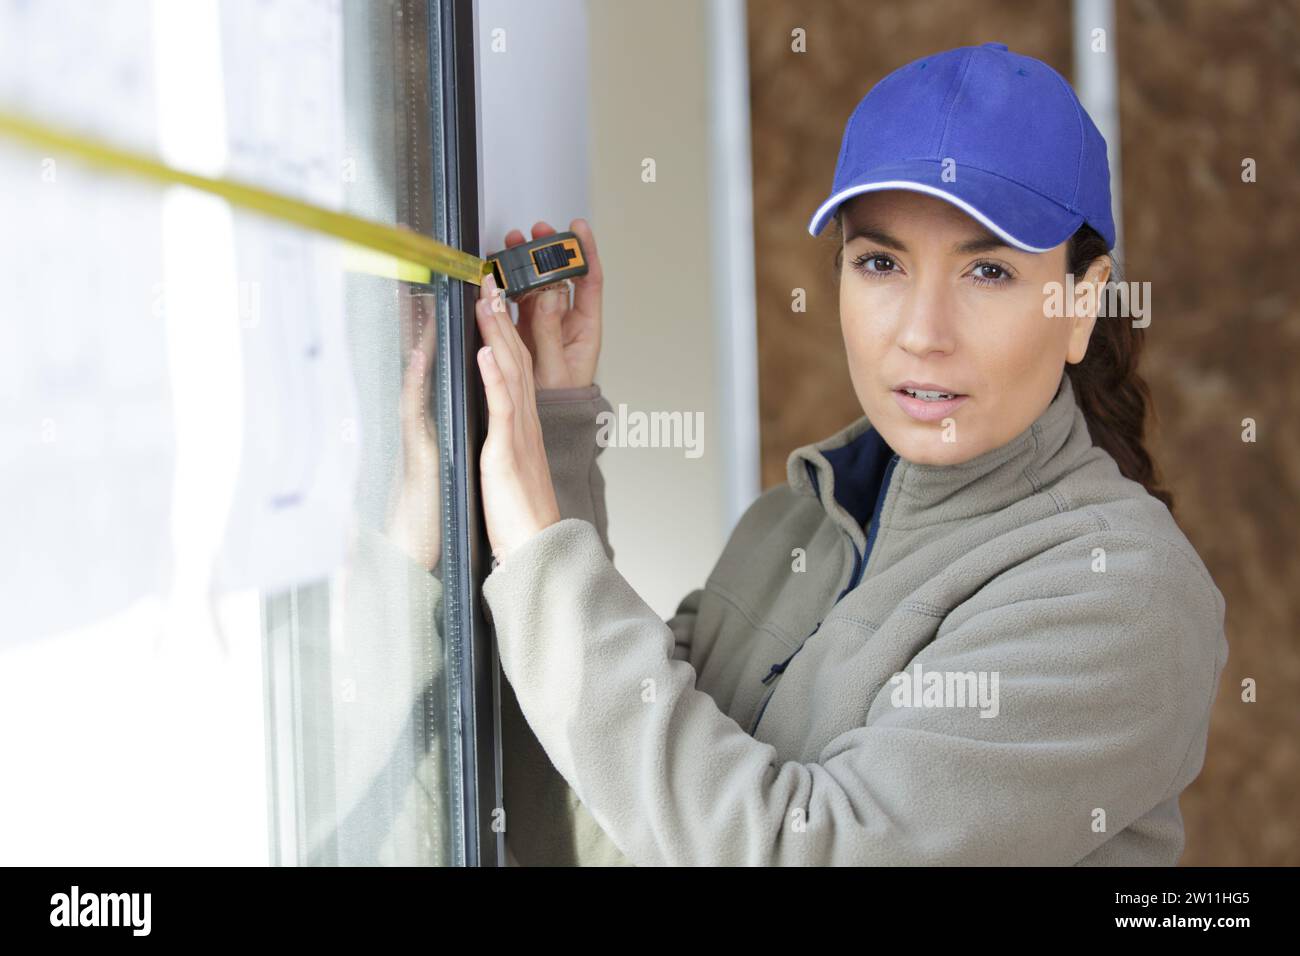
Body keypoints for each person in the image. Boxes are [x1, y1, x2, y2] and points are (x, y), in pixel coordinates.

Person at [473, 42, 1229, 866]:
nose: (921, 332)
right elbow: (614, 818)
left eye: (987, 271)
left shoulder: (1122, 592)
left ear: (1081, 303)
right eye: (880, 263)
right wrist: (552, 447)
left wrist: (544, 554)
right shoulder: (788, 524)